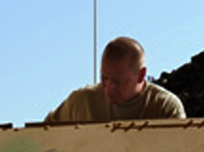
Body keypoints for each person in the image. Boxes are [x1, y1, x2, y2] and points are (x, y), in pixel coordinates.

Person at [44, 36, 186, 124]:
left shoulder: (165, 109)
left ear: (141, 75)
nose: (109, 89)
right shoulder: (81, 102)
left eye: (118, 82)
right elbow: (42, 138)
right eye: (104, 78)